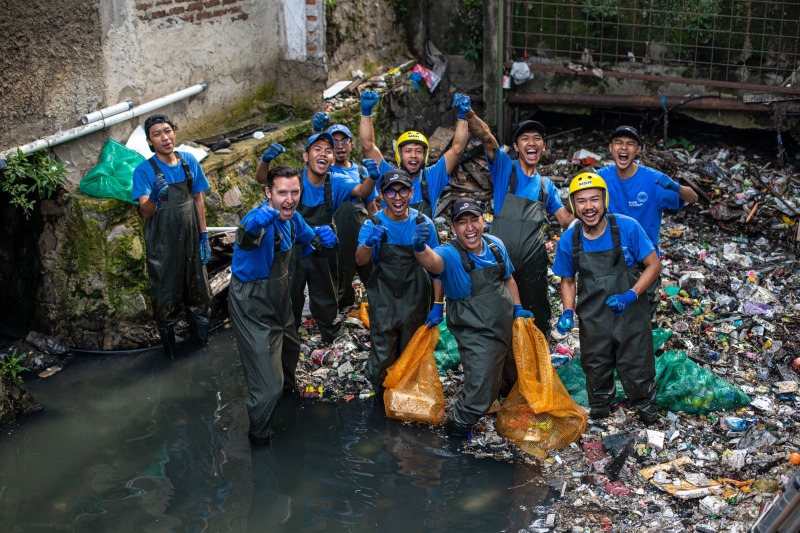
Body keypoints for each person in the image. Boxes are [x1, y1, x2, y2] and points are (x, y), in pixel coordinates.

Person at [229, 164, 337, 444]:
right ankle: (259, 440)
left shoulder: (293, 219)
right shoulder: (258, 220)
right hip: (252, 305)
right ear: (268, 193)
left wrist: (325, 240)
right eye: (282, 193)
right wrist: (255, 224)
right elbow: (246, 238)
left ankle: (288, 404)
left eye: (294, 192)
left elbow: (311, 242)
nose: (289, 200)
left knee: (291, 349)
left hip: (280, 301)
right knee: (268, 389)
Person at [413, 197, 533, 437]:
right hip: (476, 332)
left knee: (514, 374)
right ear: (454, 228)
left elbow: (508, 279)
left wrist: (518, 308)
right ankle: (457, 427)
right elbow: (433, 263)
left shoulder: (496, 245)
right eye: (462, 223)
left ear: (483, 221)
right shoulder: (450, 254)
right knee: (480, 388)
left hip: (506, 324)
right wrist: (419, 248)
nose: (469, 228)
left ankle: (506, 411)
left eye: (474, 220)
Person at [552, 173, 662, 425]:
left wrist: (630, 295)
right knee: (596, 364)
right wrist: (567, 311)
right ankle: (600, 409)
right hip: (594, 319)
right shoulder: (571, 239)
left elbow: (653, 265)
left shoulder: (627, 227)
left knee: (636, 363)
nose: (588, 207)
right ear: (573, 205)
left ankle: (646, 407)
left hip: (630, 315)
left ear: (604, 201)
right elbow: (568, 280)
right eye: (581, 201)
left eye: (594, 199)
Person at [255, 133, 378, 342]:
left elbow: (361, 190)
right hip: (294, 245)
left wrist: (373, 177)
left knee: (326, 292)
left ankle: (330, 335)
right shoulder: (296, 181)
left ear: (332, 160)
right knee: (291, 291)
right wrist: (265, 160)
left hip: (324, 244)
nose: (324, 154)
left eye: (328, 151)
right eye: (317, 149)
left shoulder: (337, 181)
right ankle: (289, 334)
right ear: (305, 157)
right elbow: (262, 179)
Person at [465, 114, 574, 338]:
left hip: (533, 265)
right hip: (500, 261)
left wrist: (587, 212)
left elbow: (565, 220)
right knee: (498, 318)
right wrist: (469, 114)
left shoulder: (546, 186)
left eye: (537, 138)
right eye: (525, 139)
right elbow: (487, 138)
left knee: (537, 319)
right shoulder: (506, 169)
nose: (531, 143)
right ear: (516, 146)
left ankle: (537, 363)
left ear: (543, 145)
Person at [355, 168, 444, 396]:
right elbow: (360, 260)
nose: (397, 198)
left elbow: (436, 269)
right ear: (381, 195)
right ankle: (379, 396)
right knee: (383, 349)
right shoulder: (373, 224)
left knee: (412, 350)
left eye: (403, 190)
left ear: (411, 192)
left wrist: (437, 304)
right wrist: (369, 243)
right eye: (391, 192)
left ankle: (407, 398)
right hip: (384, 299)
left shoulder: (424, 224)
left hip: (416, 297)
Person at [596, 125, 699, 318]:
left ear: (638, 150)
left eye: (630, 144)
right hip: (609, 257)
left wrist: (676, 187)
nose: (623, 148)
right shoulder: (600, 178)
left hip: (644, 260)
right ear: (611, 148)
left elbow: (693, 198)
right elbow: (575, 204)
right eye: (618, 143)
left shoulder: (653, 180)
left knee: (642, 316)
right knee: (607, 314)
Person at [132, 114, 213, 356]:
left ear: (174, 132)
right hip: (163, 247)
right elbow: (146, 212)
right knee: (165, 299)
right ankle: (170, 355)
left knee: (200, 295)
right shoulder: (144, 171)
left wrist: (204, 236)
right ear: (149, 141)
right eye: (157, 134)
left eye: (167, 131)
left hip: (190, 242)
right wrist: (154, 197)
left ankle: (201, 351)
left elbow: (198, 199)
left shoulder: (188, 162)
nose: (165, 138)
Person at [358, 90, 470, 217]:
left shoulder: (432, 177)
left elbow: (457, 149)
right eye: (408, 151)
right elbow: (368, 146)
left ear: (425, 156)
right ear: (399, 155)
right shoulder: (386, 174)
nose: (413, 155)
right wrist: (366, 112)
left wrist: (463, 116)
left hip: (424, 236)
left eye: (418, 151)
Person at [310, 111, 378, 309]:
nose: (340, 146)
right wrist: (317, 131)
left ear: (351, 144)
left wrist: (381, 233)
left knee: (371, 272)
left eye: (344, 141)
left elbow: (371, 206)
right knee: (339, 277)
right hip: (335, 235)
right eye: (335, 142)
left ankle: (378, 303)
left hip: (361, 232)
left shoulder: (361, 171)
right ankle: (343, 304)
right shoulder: (325, 172)